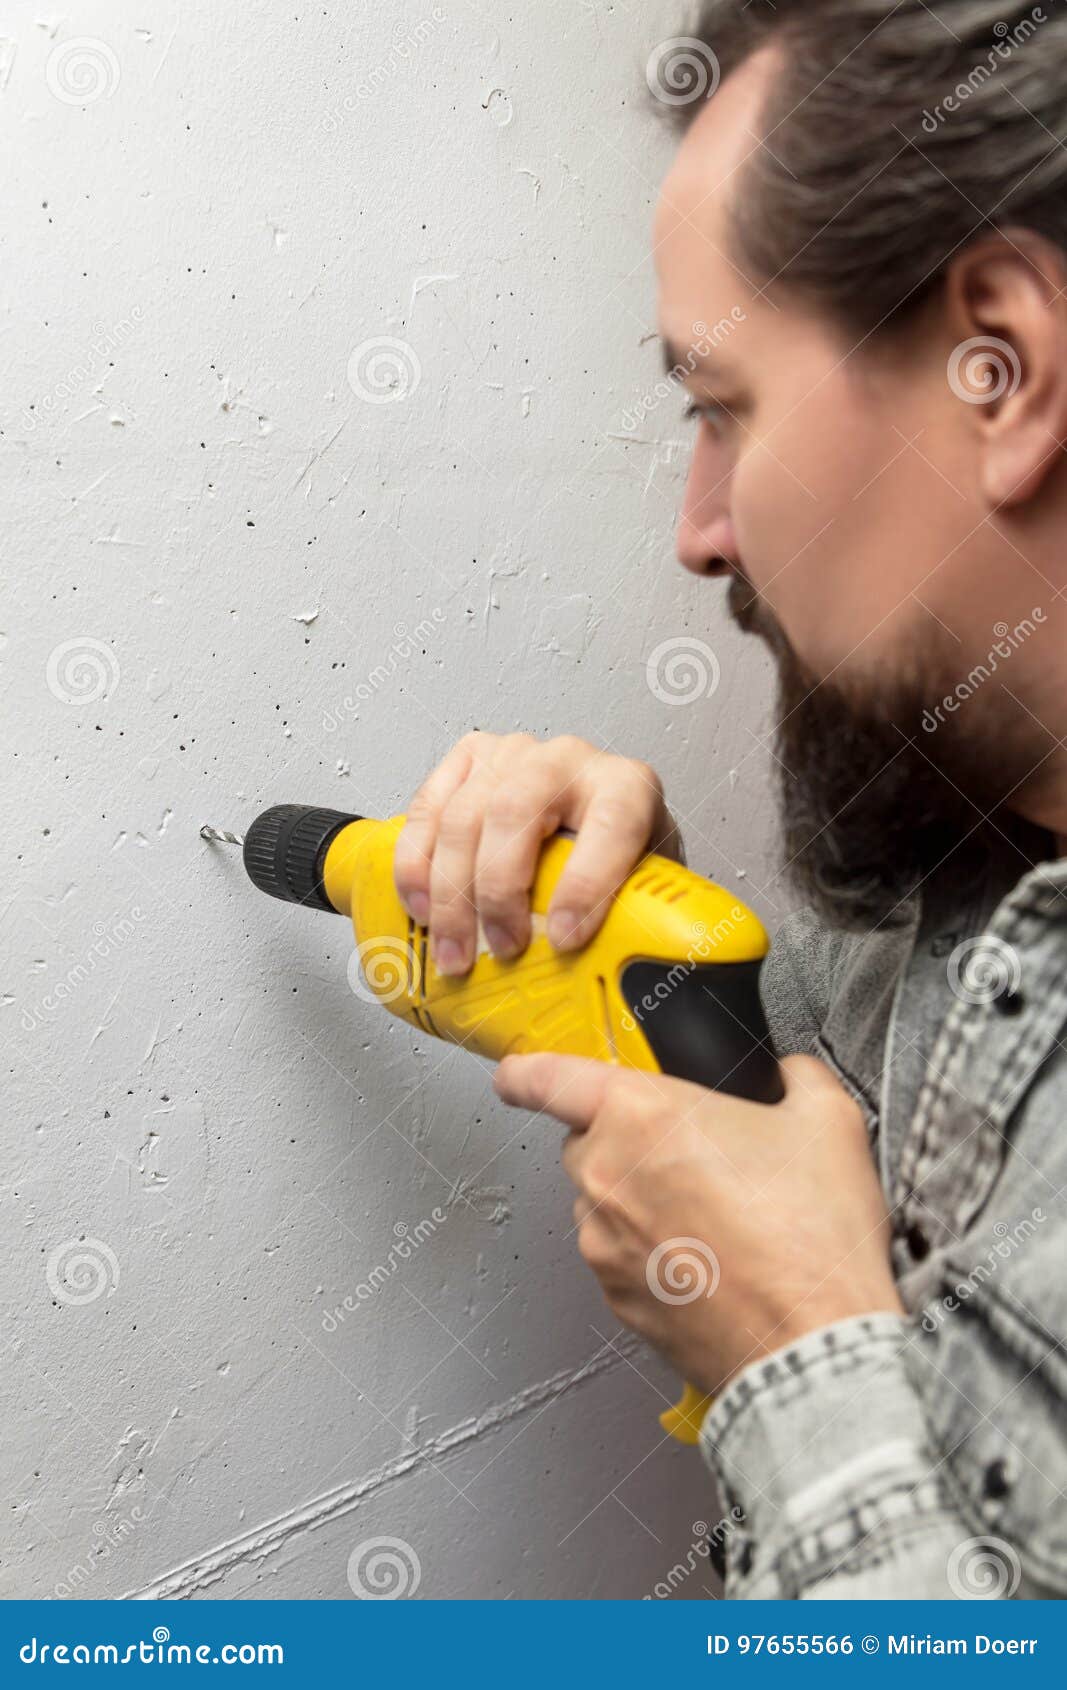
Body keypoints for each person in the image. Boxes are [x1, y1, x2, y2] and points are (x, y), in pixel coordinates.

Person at [392, 0, 1067, 1598]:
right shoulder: (973, 873)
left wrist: (794, 1352)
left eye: (724, 407)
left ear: (1006, 367)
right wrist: (663, 951)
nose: (699, 530)